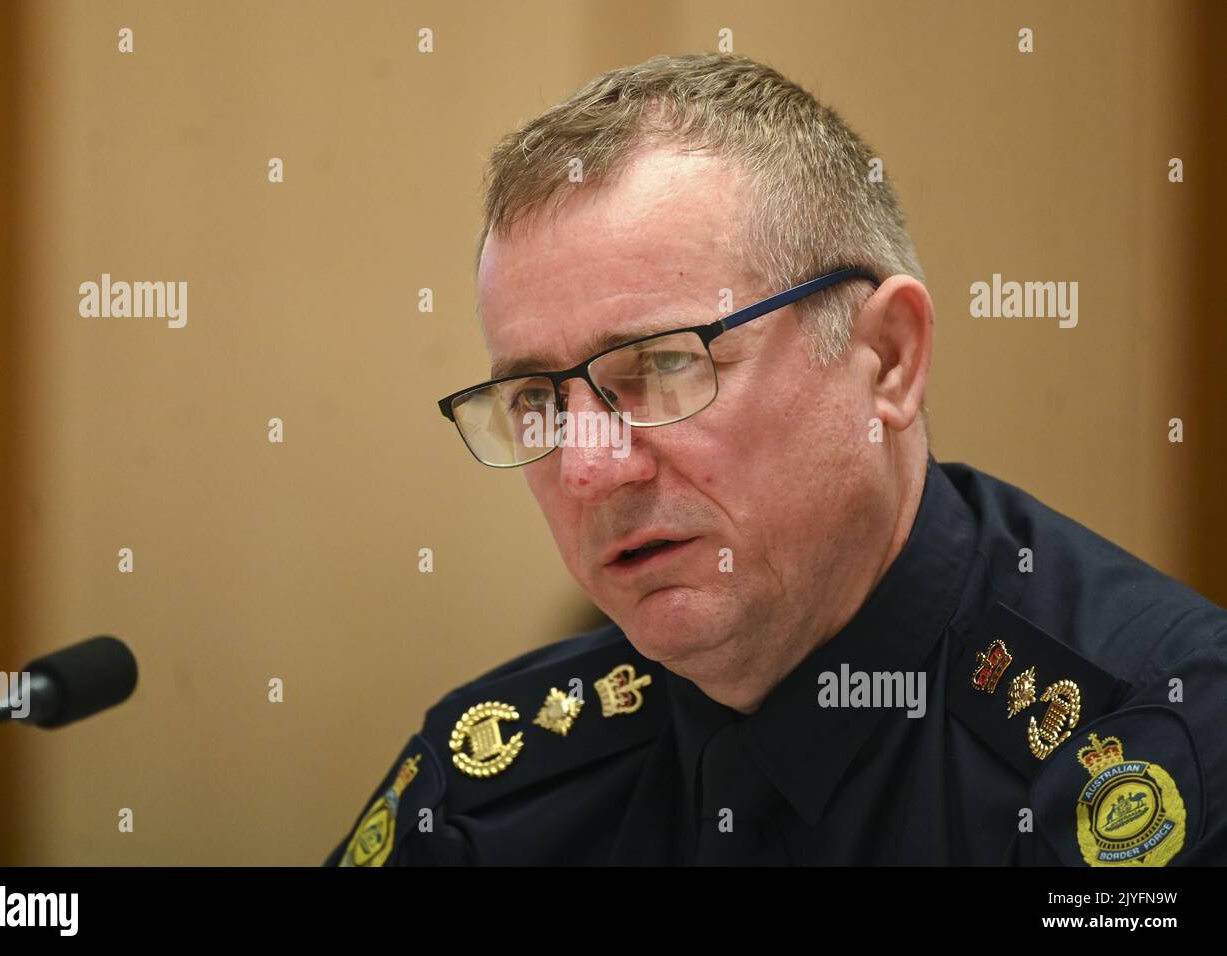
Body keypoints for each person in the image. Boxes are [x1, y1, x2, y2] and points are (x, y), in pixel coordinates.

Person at [325, 52, 1226, 866]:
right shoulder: (487, 789)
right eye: (536, 402)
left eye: (660, 367)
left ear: (889, 360)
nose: (590, 471)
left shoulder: (1151, 739)